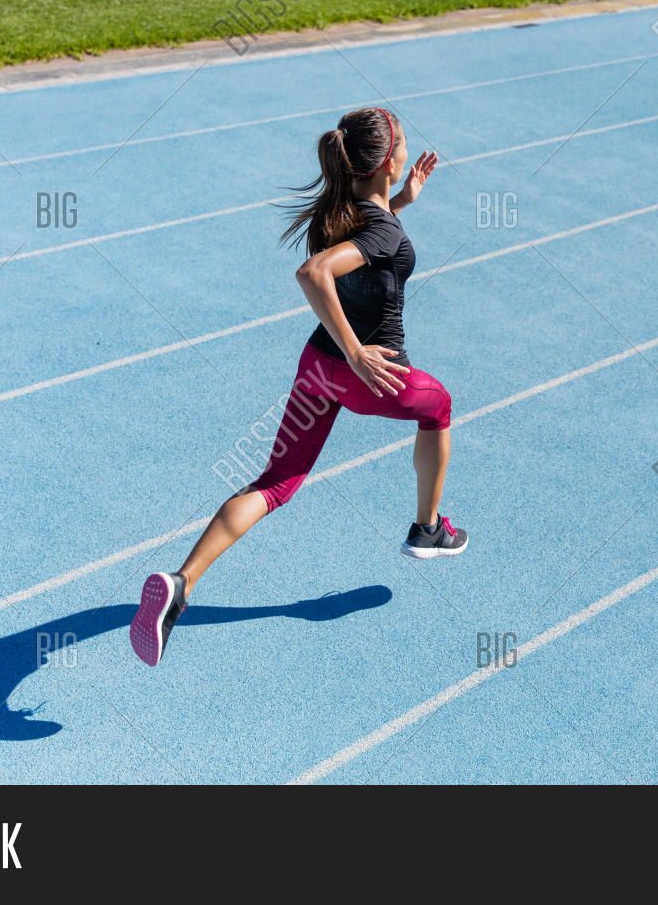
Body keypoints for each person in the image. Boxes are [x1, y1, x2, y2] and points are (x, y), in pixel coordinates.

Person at [130, 106, 466, 667]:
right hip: (371, 377)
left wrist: (402, 200)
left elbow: (369, 245)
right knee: (440, 407)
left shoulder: (346, 211)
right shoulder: (377, 228)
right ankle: (428, 528)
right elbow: (315, 273)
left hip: (317, 367)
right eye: (403, 142)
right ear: (388, 159)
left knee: (277, 482)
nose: (408, 149)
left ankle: (181, 583)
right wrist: (359, 353)